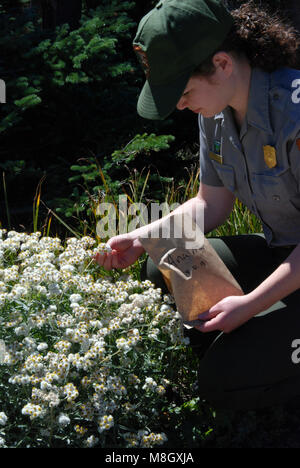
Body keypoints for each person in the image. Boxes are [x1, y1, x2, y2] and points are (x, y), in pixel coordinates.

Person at [94, 0, 300, 410]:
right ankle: (254, 343)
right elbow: (211, 203)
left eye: (184, 91)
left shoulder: (294, 112)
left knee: (224, 379)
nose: (181, 105)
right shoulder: (217, 111)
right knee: (167, 252)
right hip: (284, 256)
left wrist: (251, 304)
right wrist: (142, 235)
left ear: (222, 63)